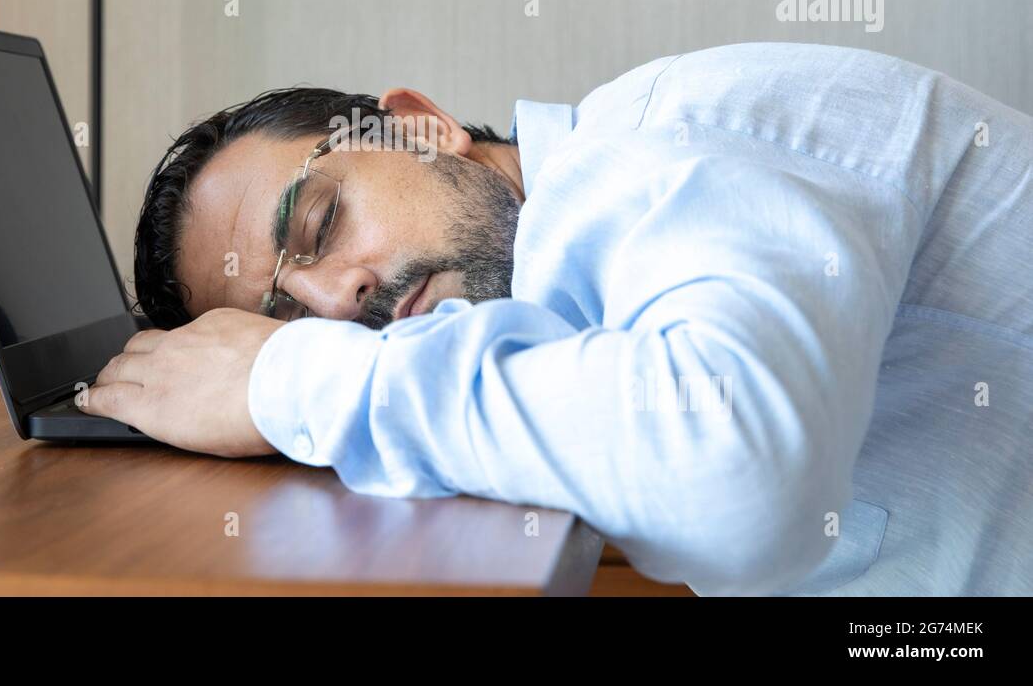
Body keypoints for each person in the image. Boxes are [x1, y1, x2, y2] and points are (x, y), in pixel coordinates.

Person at [82, 42, 1033, 596]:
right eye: (285, 320)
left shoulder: (664, 141)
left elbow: (738, 473)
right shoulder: (553, 327)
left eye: (322, 221)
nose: (337, 301)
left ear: (416, 127)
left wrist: (281, 379)